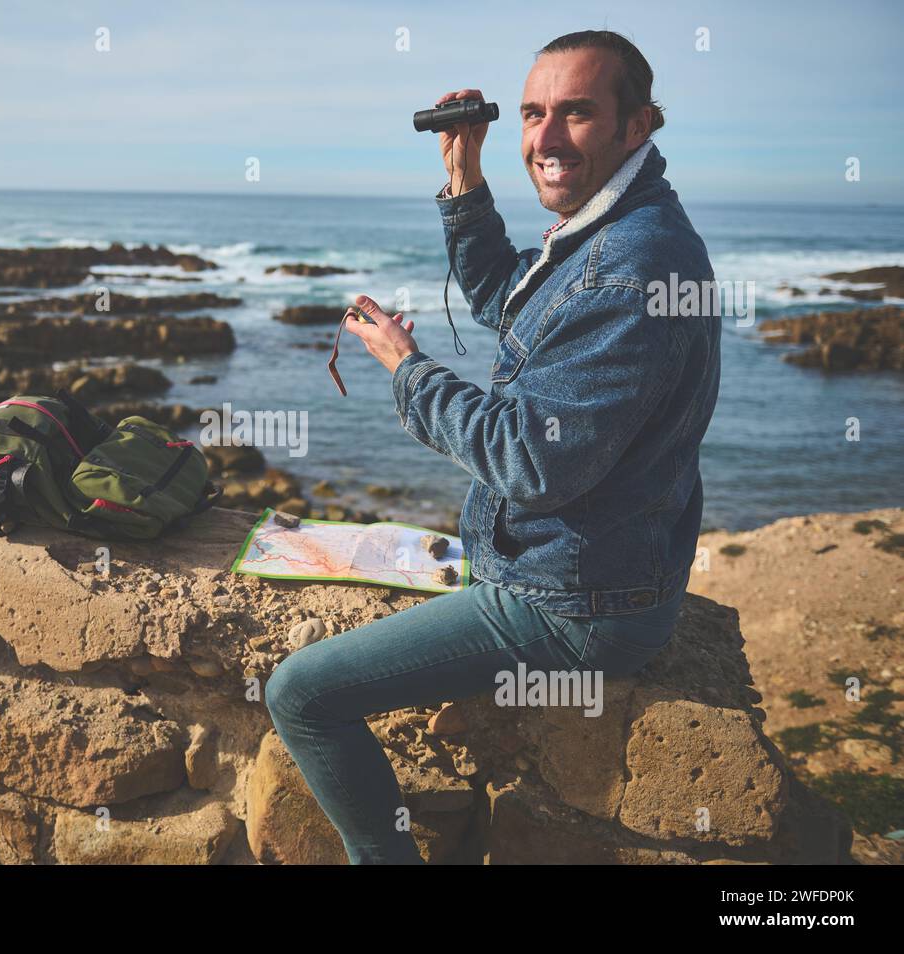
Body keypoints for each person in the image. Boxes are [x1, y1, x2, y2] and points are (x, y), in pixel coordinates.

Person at [264, 30, 721, 864]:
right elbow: (509, 299)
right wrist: (463, 174)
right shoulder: (608, 228)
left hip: (577, 606)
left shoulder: (631, 264)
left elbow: (530, 464)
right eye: (534, 114)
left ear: (639, 124)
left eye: (577, 114)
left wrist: (408, 372)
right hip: (584, 568)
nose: (545, 140)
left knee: (300, 692)